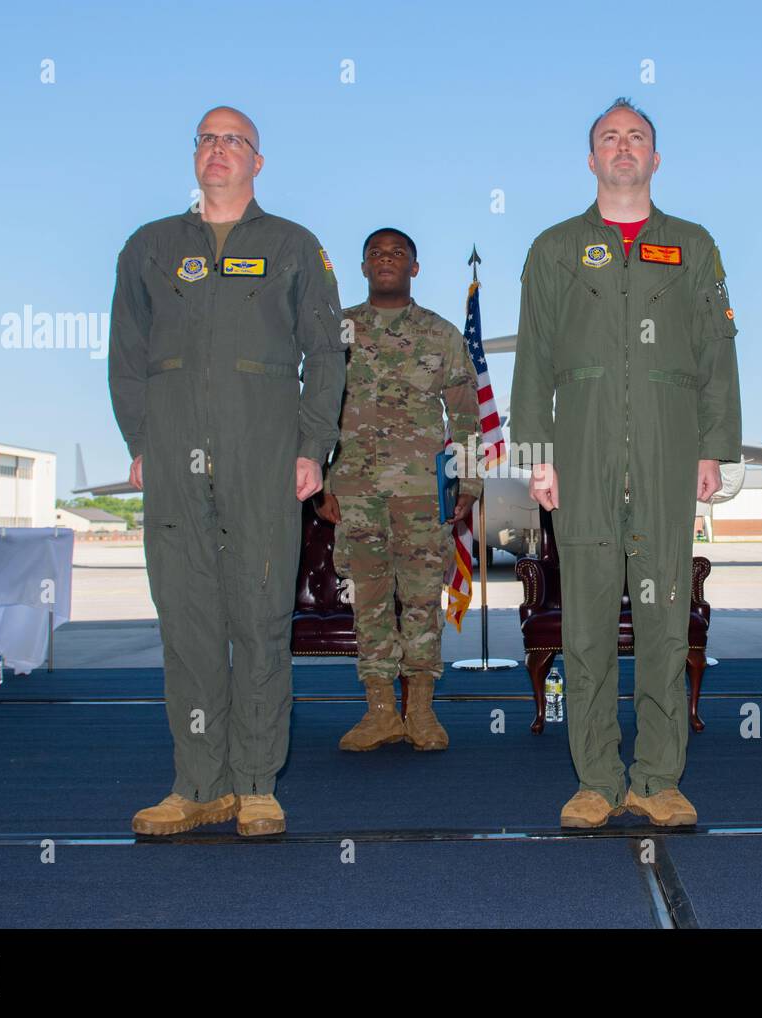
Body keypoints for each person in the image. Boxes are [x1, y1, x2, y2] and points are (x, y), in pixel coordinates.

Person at [108, 106, 347, 835]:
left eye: (233, 140)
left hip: (264, 453)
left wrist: (313, 445)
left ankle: (255, 783)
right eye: (207, 139)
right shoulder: (149, 248)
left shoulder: (293, 246)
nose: (219, 150)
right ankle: (196, 783)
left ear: (257, 161)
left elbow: (328, 354)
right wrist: (142, 438)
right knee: (187, 621)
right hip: (175, 453)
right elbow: (126, 356)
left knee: (262, 616)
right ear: (195, 157)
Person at [511, 98, 742, 828]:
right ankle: (596, 779)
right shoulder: (553, 248)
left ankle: (658, 777)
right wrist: (534, 454)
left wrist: (715, 446)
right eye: (609, 137)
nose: (622, 146)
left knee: (665, 617)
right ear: (590, 158)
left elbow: (718, 351)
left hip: (670, 448)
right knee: (583, 621)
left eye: (636, 136)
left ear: (655, 157)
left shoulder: (693, 245)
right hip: (579, 449)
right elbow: (534, 360)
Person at [314, 228, 482, 751]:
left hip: (421, 492)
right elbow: (316, 407)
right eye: (376, 254)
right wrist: (319, 477)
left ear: (415, 267)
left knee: (420, 600)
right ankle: (380, 712)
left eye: (398, 254)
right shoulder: (336, 330)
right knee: (368, 600)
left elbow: (466, 413)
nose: (386, 261)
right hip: (355, 489)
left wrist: (470, 480)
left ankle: (424, 712)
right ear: (363, 267)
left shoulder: (440, 333)